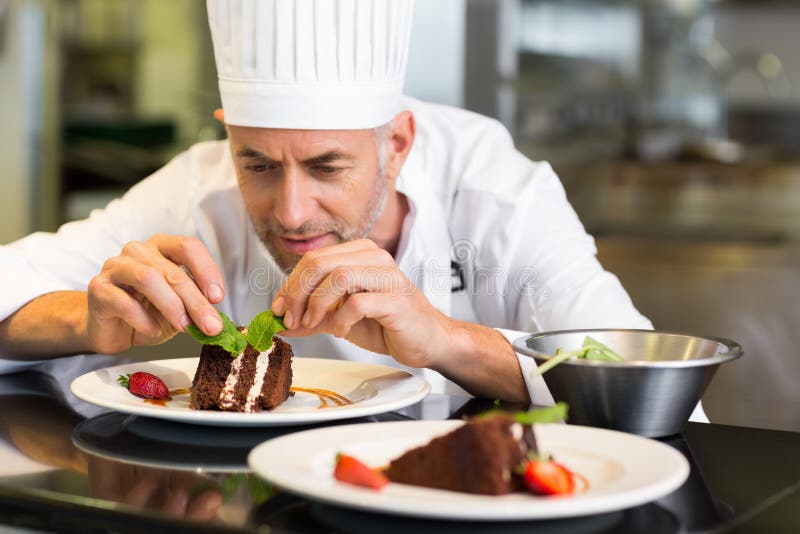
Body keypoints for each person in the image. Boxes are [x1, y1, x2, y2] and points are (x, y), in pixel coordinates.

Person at [0, 0, 652, 405]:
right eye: (258, 164)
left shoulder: (495, 190)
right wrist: (84, 321)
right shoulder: (199, 187)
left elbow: (640, 377)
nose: (290, 212)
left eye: (326, 166)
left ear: (397, 145)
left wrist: (447, 340)